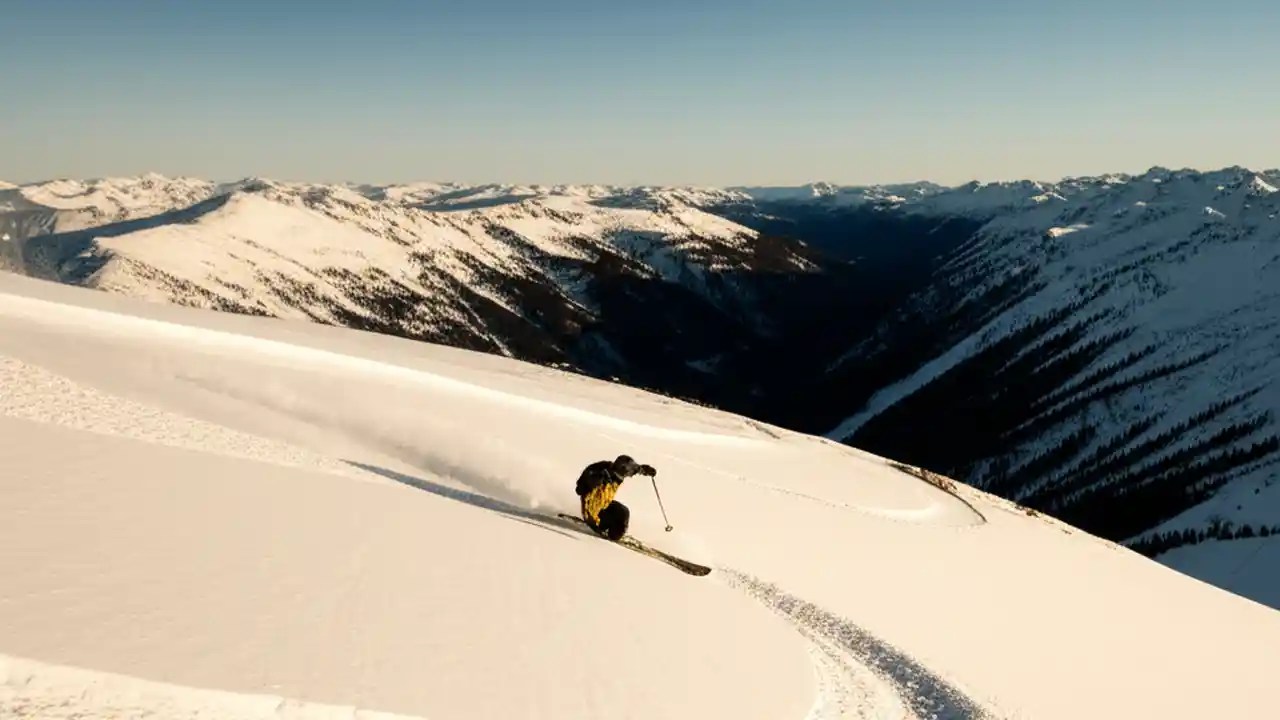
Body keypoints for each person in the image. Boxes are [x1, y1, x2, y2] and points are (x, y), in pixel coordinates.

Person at [574, 455, 657, 541]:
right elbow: (580, 488)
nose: (629, 475)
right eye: (628, 473)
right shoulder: (602, 472)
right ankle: (605, 532)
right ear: (623, 469)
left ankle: (613, 533)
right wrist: (598, 479)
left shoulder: (618, 471)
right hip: (592, 512)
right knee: (621, 513)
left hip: (604, 505)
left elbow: (635, 469)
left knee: (623, 512)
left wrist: (645, 470)